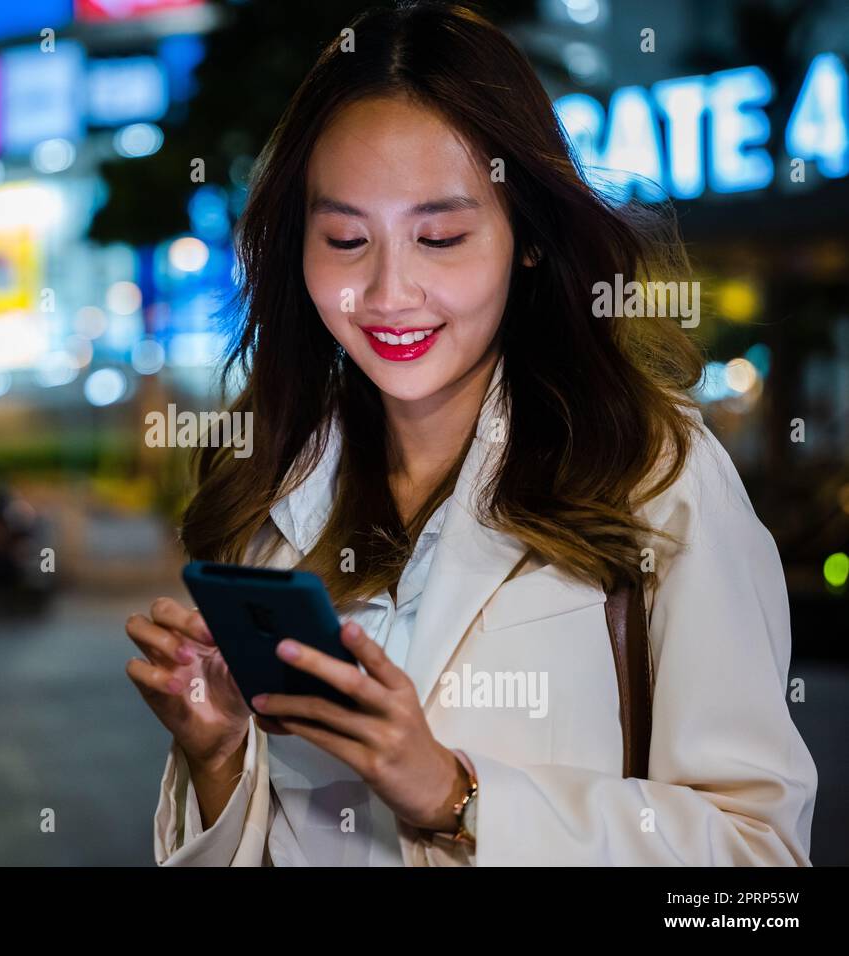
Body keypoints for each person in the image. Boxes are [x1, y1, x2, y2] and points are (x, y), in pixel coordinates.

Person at [123, 1, 817, 866]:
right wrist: (217, 756)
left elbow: (759, 865)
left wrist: (458, 796)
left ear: (526, 237)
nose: (387, 293)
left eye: (440, 237)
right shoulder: (273, 492)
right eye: (345, 239)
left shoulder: (657, 477)